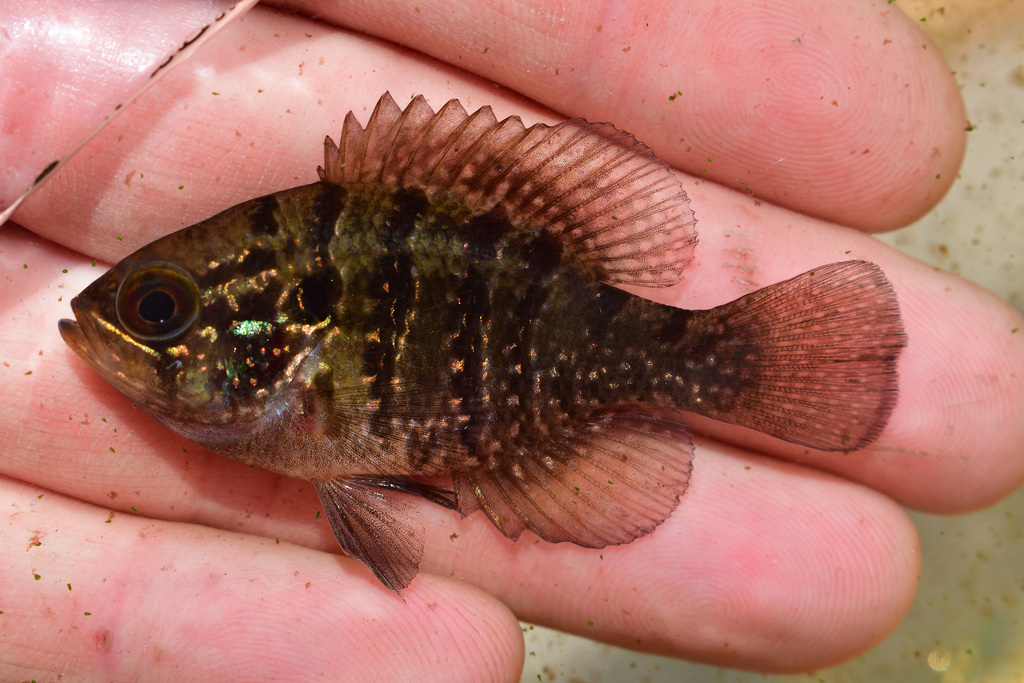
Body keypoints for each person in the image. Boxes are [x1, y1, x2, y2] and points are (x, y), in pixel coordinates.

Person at [2, 1, 1022, 680]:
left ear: (274, 328)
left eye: (161, 310)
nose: (127, 326)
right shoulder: (288, 398)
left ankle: (744, 364)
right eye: (156, 311)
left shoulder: (296, 397)